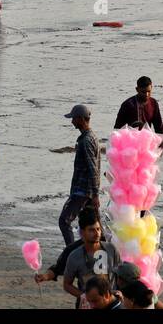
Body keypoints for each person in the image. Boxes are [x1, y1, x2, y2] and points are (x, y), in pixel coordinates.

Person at [59, 104, 100, 245]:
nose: (72, 122)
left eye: (74, 119)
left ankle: (70, 253)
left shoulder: (86, 141)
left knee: (64, 221)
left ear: (82, 119)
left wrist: (95, 194)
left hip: (82, 191)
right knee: (93, 224)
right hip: (86, 191)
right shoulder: (91, 137)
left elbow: (93, 168)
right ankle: (95, 253)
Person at [62, 212, 120, 308]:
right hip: (89, 304)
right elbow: (67, 284)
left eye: (98, 229)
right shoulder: (74, 256)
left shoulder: (111, 249)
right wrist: (82, 296)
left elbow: (120, 275)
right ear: (82, 232)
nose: (97, 233)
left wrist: (120, 292)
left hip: (110, 302)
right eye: (91, 230)